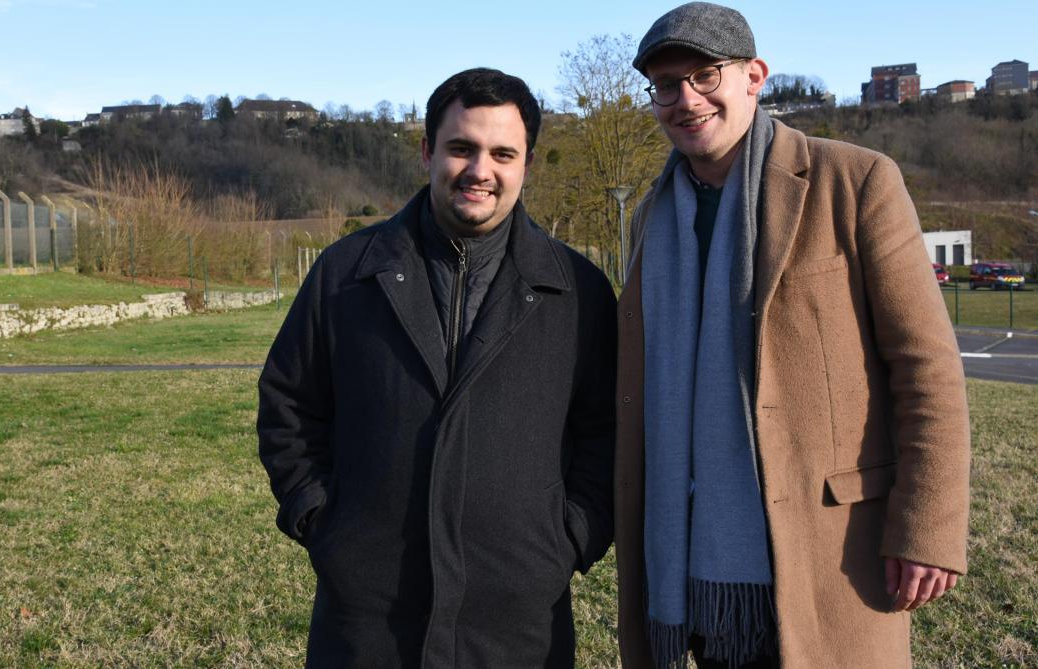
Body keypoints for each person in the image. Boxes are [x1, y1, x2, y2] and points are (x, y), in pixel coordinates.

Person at [613, 4, 971, 668]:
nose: (684, 99)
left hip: (828, 550)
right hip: (686, 562)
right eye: (666, 84)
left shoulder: (855, 181)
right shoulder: (648, 219)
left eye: (704, 75)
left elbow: (924, 365)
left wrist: (928, 527)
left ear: (753, 76)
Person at [257, 67, 617, 668]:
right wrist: (321, 520)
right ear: (427, 151)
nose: (481, 170)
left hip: (518, 623)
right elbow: (289, 405)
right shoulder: (346, 273)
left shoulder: (578, 291)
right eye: (461, 148)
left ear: (526, 162)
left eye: (504, 153)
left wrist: (571, 537)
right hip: (368, 620)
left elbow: (607, 431)